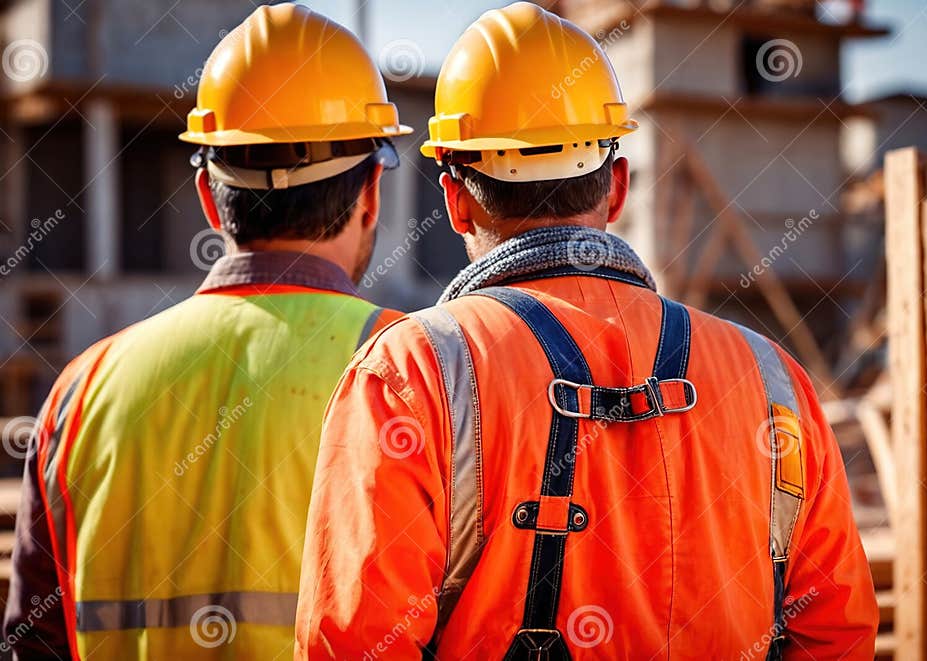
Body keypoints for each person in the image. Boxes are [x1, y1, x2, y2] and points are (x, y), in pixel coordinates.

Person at [295, 3, 878, 660]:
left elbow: (356, 645)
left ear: (454, 199)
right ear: (618, 186)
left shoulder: (412, 376)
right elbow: (838, 632)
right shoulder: (774, 379)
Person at [3, 4, 409, 659]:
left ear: (207, 194)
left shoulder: (80, 392)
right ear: (371, 194)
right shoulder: (417, 375)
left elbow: (32, 643)